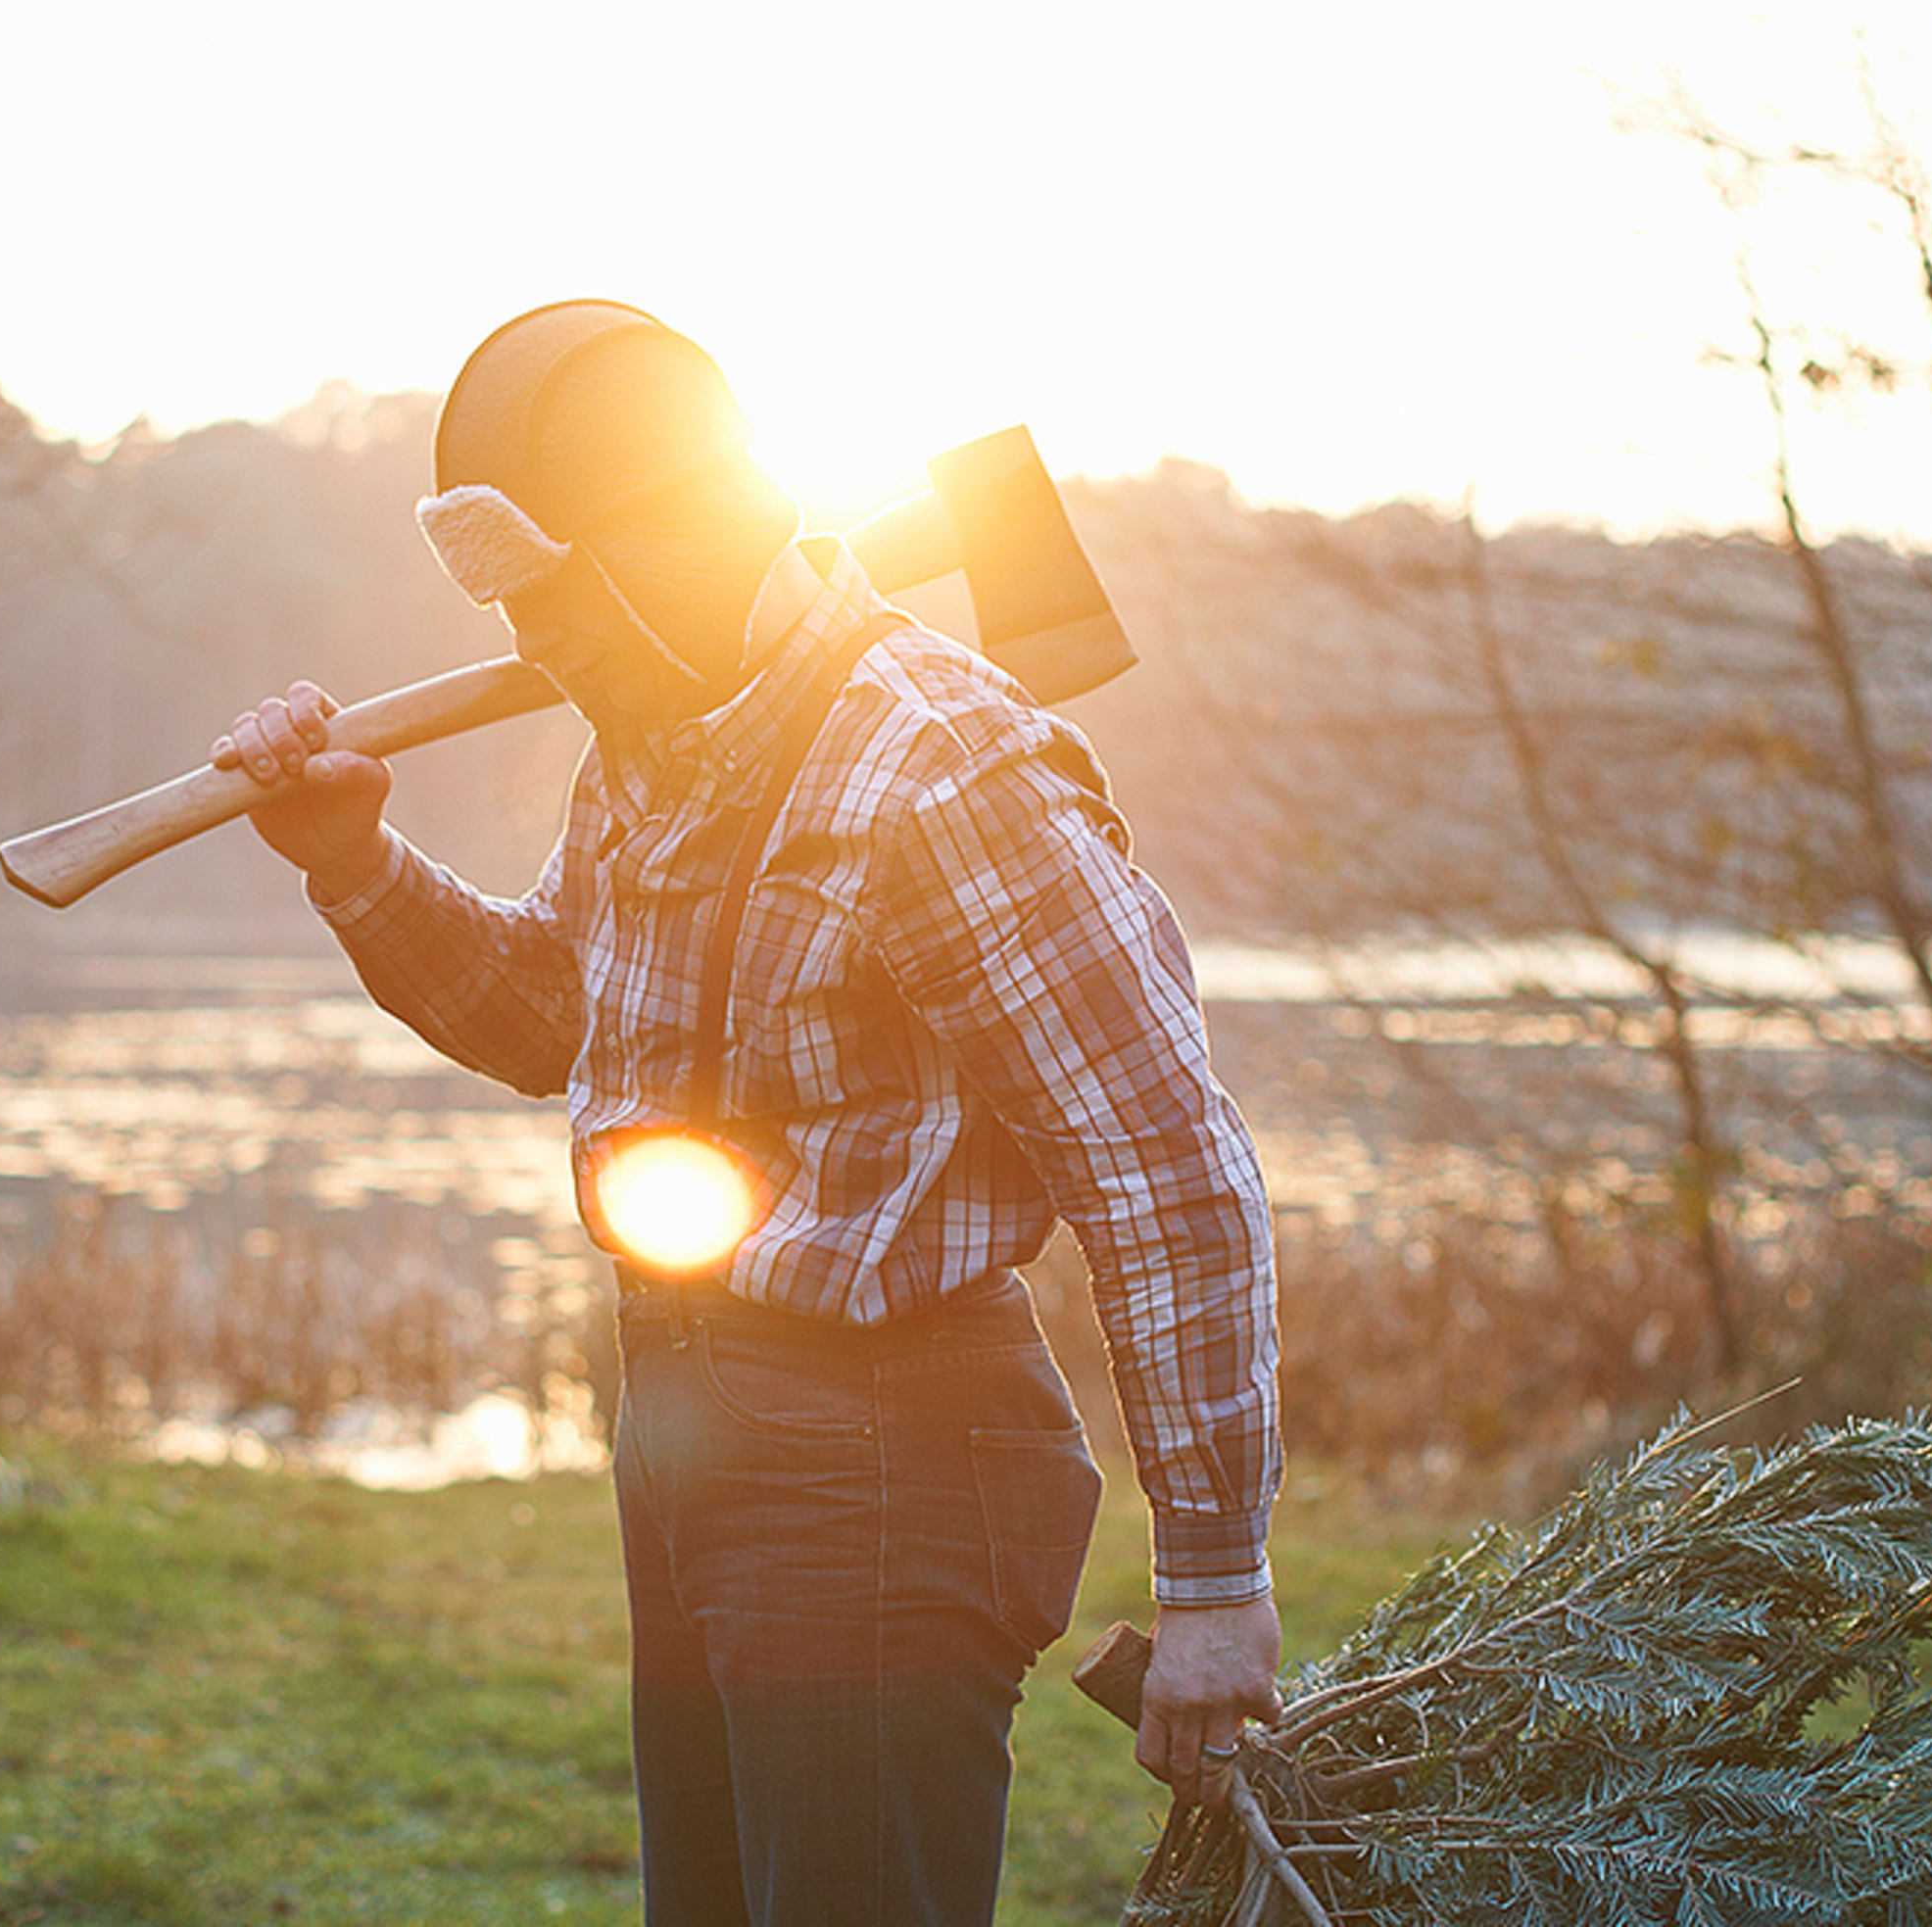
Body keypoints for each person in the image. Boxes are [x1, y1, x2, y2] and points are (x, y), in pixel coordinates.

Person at [211, 300, 1280, 1927]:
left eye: (556, 601)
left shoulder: (943, 772)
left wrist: (1213, 1581)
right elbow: (547, 1021)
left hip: (887, 1456)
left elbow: (1167, 1174)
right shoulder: (647, 747)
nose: (537, 649)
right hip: (690, 1423)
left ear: (667, 557)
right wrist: (352, 860)